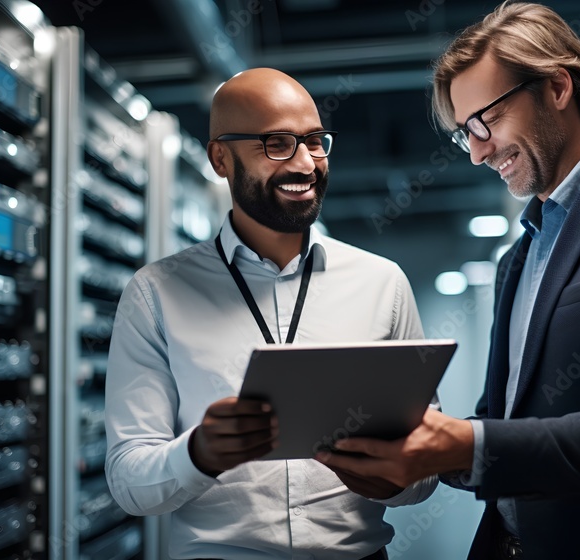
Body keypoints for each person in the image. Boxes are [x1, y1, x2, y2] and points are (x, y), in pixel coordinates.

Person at [315, 3, 580, 559]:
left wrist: (466, 446)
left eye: (484, 122)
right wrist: (413, 453)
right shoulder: (519, 257)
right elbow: (504, 418)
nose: (476, 152)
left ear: (557, 87)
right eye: (463, 134)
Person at [104, 67, 437, 560]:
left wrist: (393, 477)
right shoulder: (156, 293)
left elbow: (428, 468)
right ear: (221, 157)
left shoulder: (381, 284)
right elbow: (128, 482)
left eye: (315, 141)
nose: (305, 163)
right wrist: (199, 454)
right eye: (277, 143)